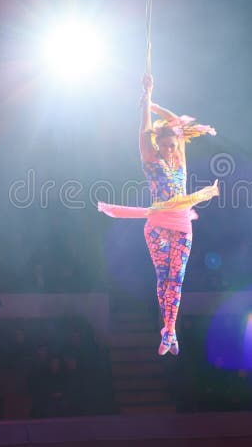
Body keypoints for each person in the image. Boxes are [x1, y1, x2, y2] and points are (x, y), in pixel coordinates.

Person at [98, 74, 219, 356]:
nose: (169, 149)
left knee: (177, 279)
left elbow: (176, 121)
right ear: (156, 144)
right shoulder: (150, 159)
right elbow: (143, 133)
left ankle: (169, 332)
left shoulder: (181, 161)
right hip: (157, 225)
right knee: (163, 277)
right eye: (164, 145)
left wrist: (154, 103)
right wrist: (145, 103)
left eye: (172, 145)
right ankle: (169, 331)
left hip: (181, 224)